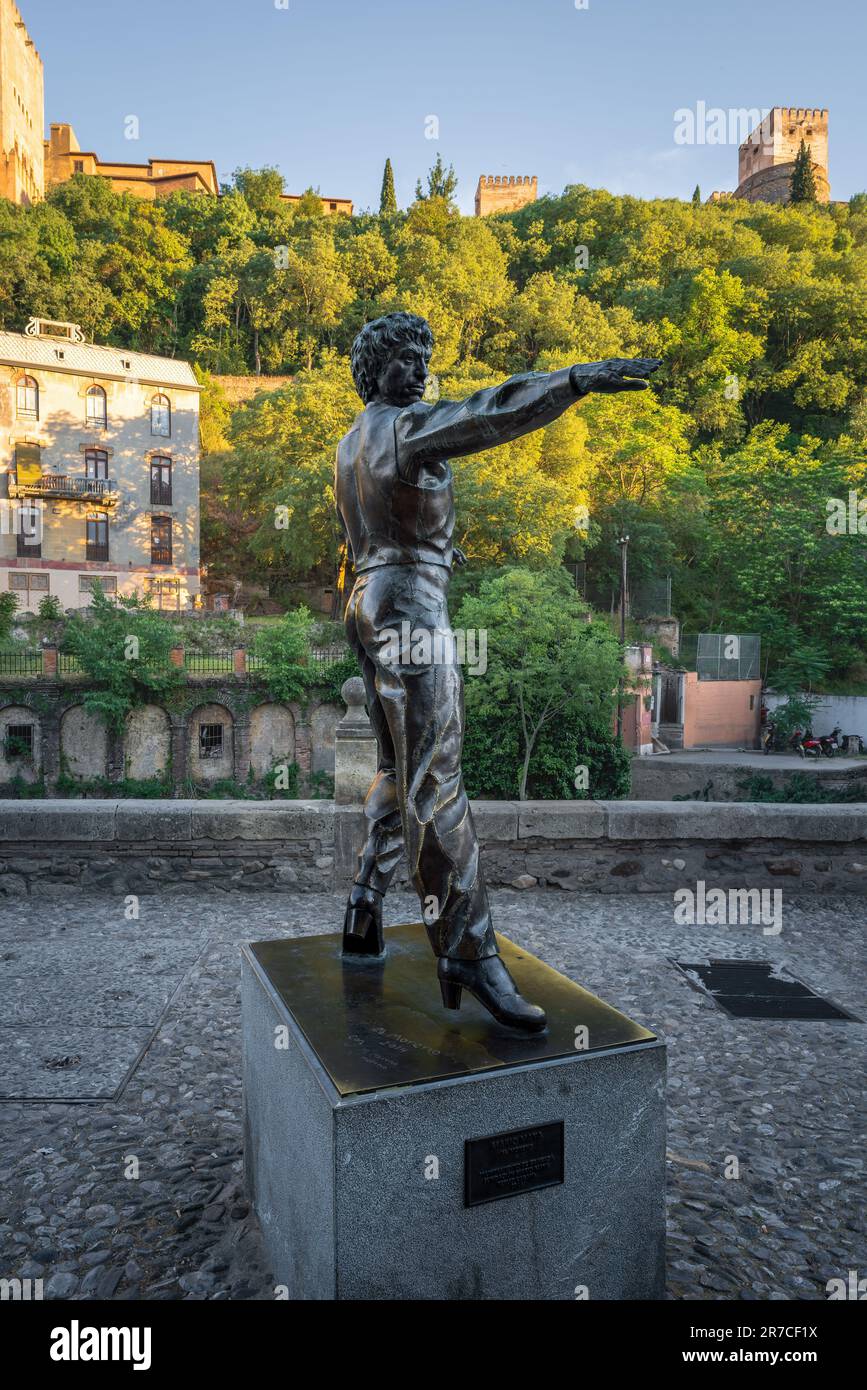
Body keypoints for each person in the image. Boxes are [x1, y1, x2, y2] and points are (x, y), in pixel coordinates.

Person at [335, 311, 660, 1032]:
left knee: (397, 768)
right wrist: (573, 381)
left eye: (425, 357)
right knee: (436, 776)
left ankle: (363, 904)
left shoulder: (349, 442)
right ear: (374, 370)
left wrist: (429, 551)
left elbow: (377, 524)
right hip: (409, 609)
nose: (419, 370)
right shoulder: (406, 426)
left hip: (364, 598)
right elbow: (490, 413)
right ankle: (467, 952)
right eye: (404, 360)